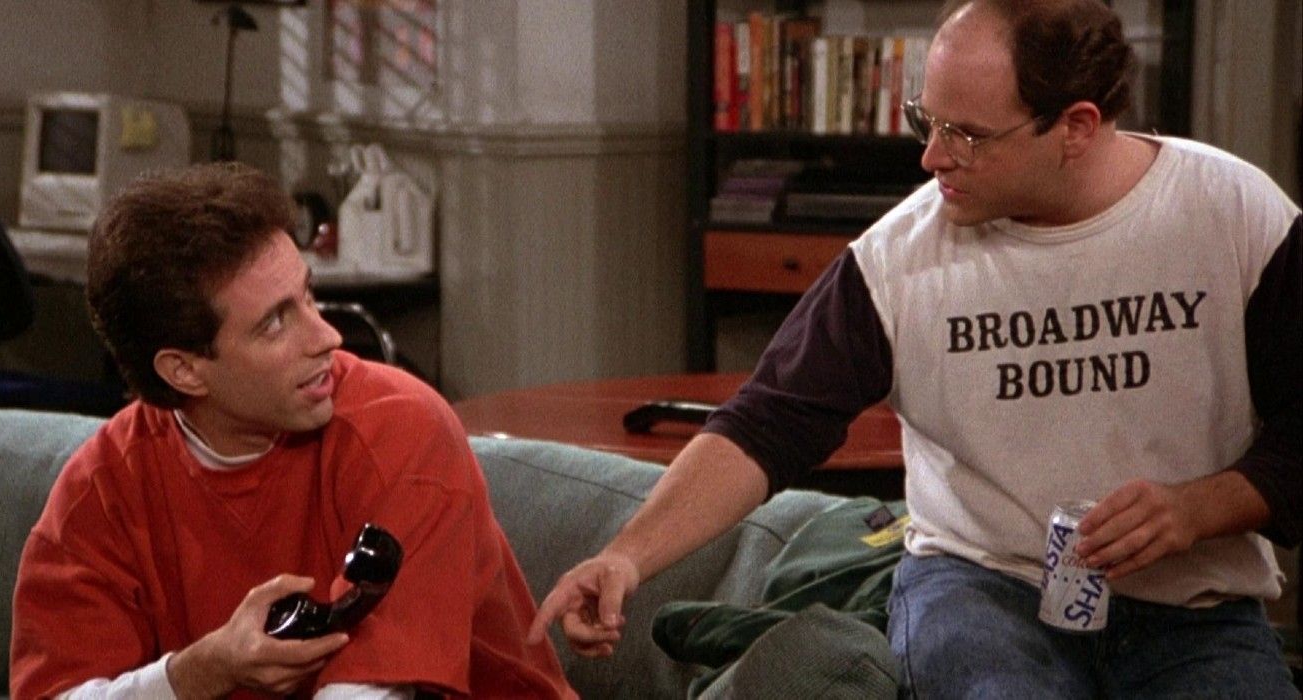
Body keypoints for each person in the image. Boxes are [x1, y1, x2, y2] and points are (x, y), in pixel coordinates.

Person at [529, 0, 1301, 696]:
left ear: (1075, 126)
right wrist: (626, 557)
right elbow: (763, 425)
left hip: (1195, 609)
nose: (932, 158)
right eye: (925, 122)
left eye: (967, 135)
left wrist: (1201, 508)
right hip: (982, 588)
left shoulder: (1234, 216)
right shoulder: (896, 260)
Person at [10, 162, 576, 699]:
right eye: (275, 322)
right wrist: (197, 673)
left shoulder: (404, 428)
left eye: (308, 295)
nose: (327, 337)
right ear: (184, 371)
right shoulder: (101, 487)